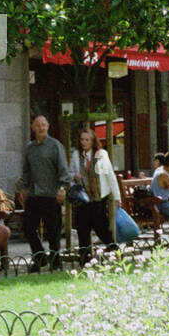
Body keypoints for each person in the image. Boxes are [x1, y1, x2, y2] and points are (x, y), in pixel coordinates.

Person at [21, 115, 68, 270]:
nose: (41, 128)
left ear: (48, 127)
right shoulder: (30, 148)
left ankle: (56, 261)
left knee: (53, 230)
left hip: (51, 194)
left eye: (43, 125)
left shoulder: (55, 146)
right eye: (37, 125)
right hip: (34, 194)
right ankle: (40, 257)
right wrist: (23, 188)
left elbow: (63, 169)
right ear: (33, 128)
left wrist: (63, 188)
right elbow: (26, 171)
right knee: (27, 227)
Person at [67, 128, 119, 261]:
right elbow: (70, 173)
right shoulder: (76, 155)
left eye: (87, 140)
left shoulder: (101, 154)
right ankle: (84, 260)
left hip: (98, 198)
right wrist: (75, 176)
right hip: (82, 198)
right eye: (82, 139)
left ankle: (115, 253)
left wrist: (117, 197)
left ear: (93, 141)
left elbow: (110, 175)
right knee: (82, 230)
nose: (84, 142)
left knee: (102, 229)